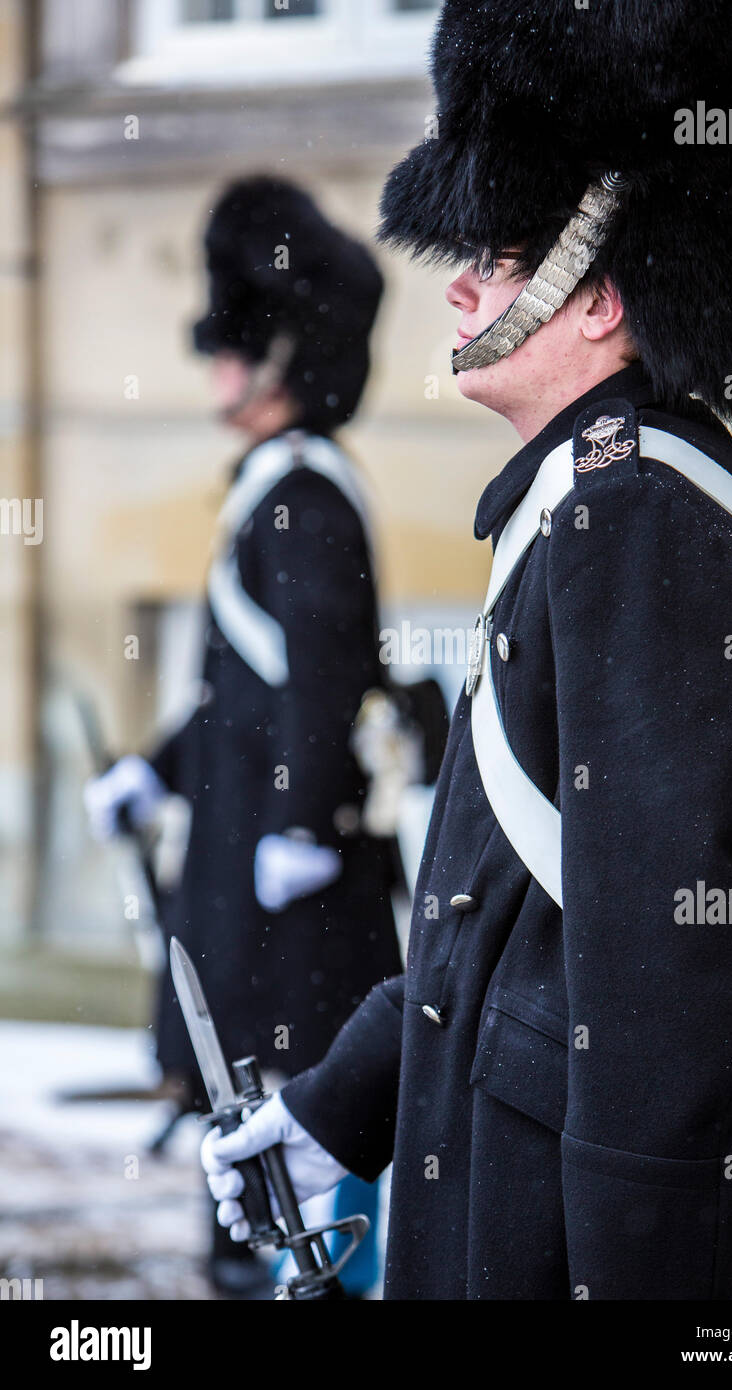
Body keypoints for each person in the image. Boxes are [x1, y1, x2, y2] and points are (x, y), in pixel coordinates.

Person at [198, 2, 732, 1300]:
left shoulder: (635, 521)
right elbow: (500, 906)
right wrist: (342, 1101)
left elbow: (662, 990)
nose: (459, 284)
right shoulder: (590, 501)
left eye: (499, 256)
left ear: (598, 292)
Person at [85, 175, 403, 1294]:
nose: (219, 365)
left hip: (288, 884)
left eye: (239, 343)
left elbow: (325, 675)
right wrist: (151, 770)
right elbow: (238, 694)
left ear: (281, 359)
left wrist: (302, 822)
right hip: (251, 864)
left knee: (275, 1122)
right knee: (237, 1112)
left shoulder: (306, 495)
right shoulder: (272, 486)